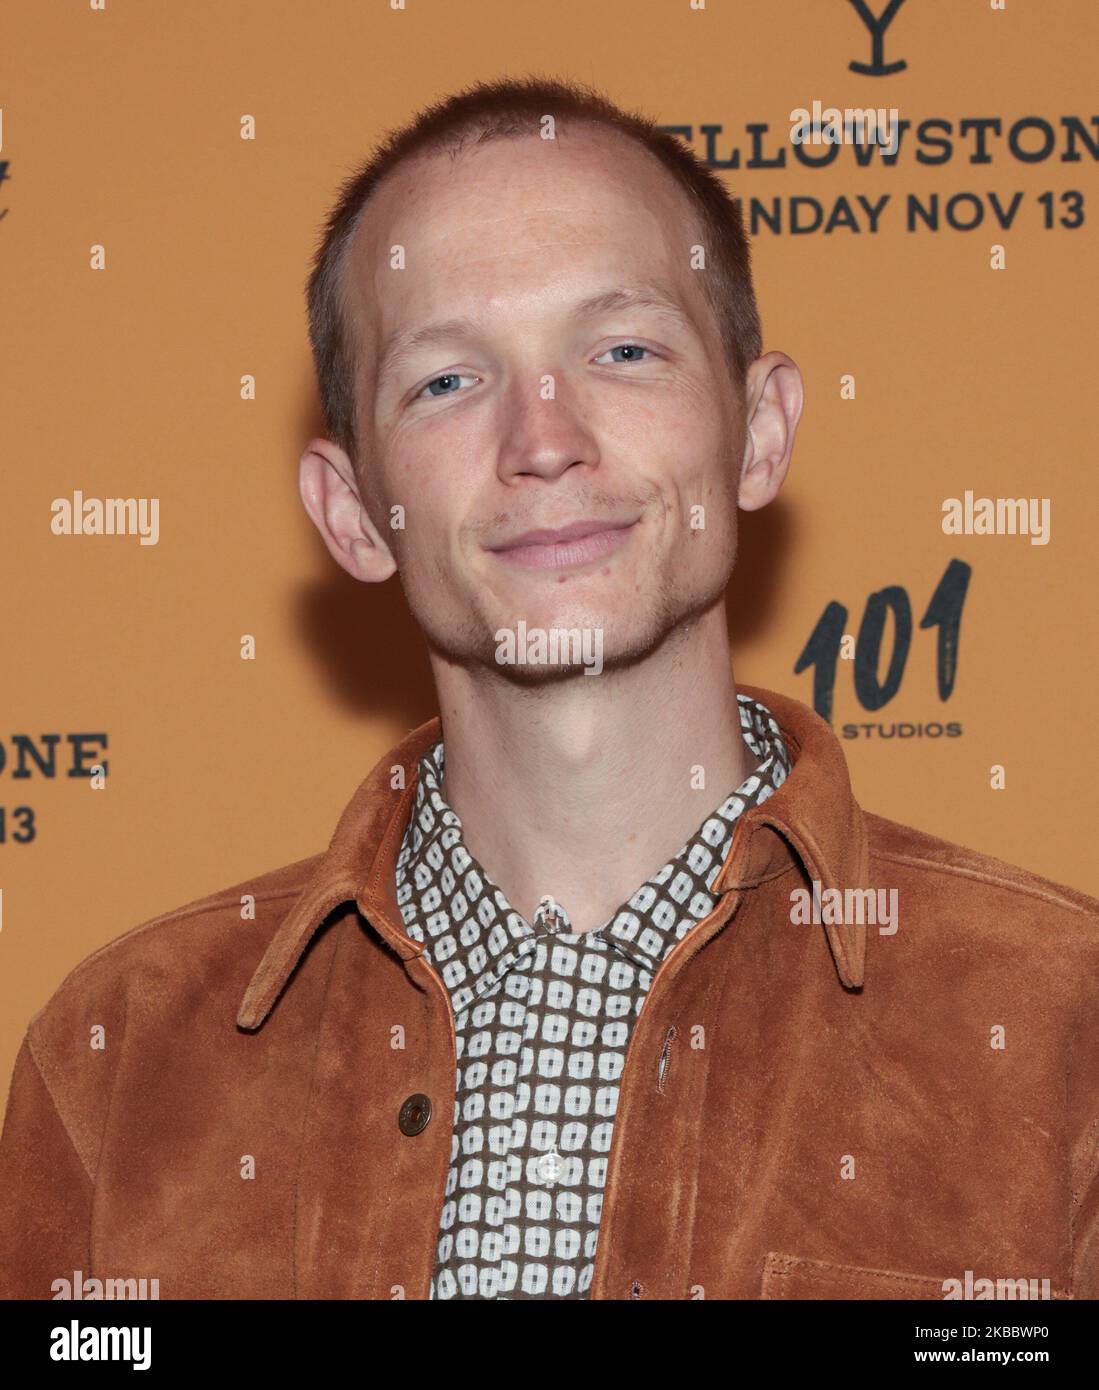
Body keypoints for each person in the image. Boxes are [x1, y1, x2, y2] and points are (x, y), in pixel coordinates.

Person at [2, 75, 1097, 1303]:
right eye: (447, 381)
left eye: (622, 350)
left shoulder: (1061, 1026)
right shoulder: (120, 1058)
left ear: (758, 431)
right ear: (353, 512)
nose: (542, 437)